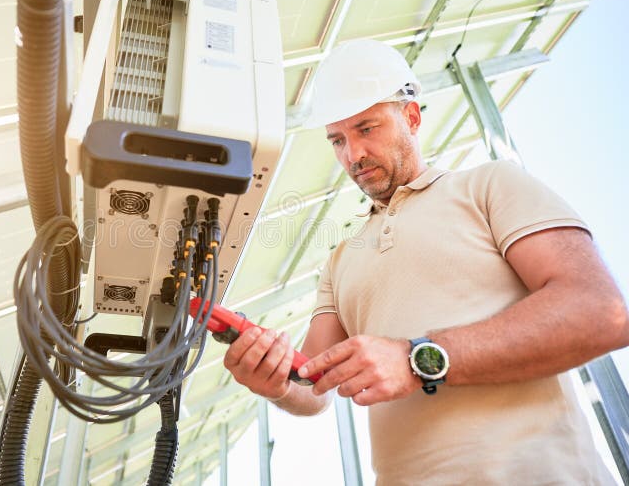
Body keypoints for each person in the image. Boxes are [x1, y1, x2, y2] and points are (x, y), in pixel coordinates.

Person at [222, 38, 629, 484]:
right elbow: (314, 384)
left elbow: (600, 312)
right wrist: (277, 380)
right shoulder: (340, 260)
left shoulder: (489, 186)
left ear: (411, 117)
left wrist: (420, 358)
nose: (352, 155)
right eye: (337, 140)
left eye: (367, 128)